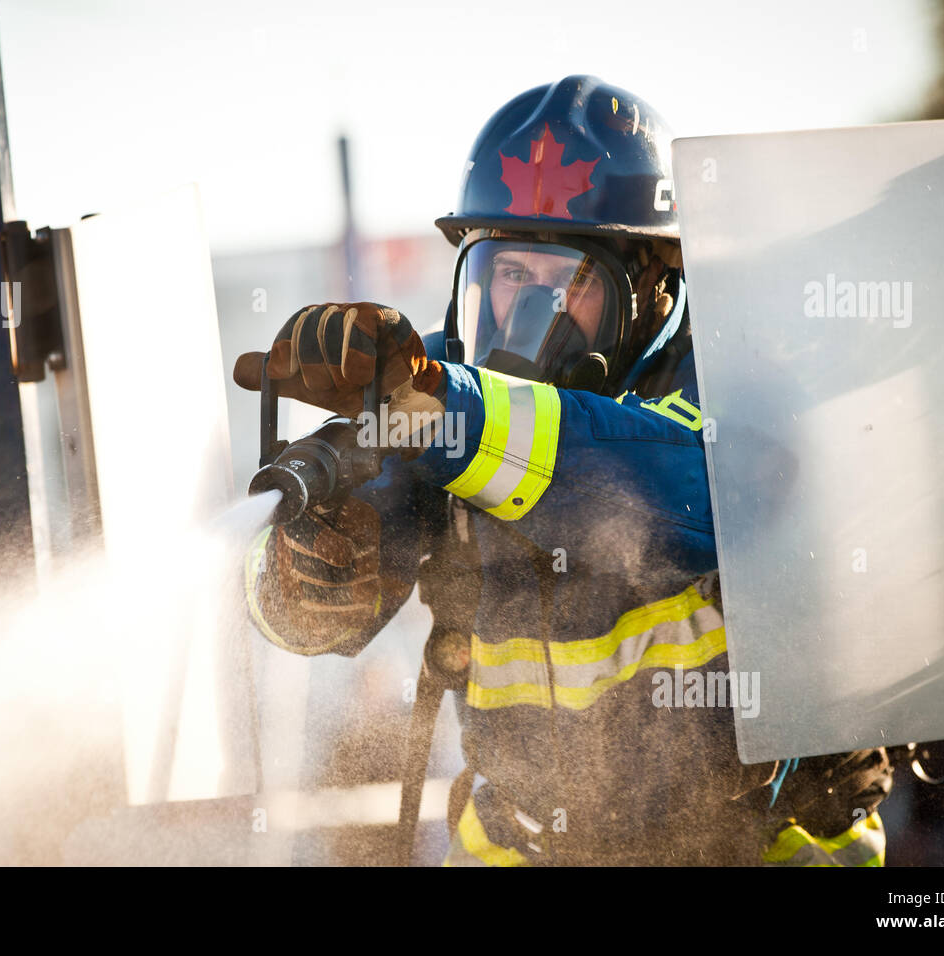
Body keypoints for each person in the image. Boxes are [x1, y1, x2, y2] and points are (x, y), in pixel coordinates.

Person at [234, 75, 892, 865]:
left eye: (567, 281)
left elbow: (676, 493)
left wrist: (450, 417)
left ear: (653, 285)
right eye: (509, 275)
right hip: (526, 842)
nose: (528, 314)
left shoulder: (738, 379)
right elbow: (312, 622)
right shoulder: (440, 396)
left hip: (756, 840)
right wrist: (313, 559)